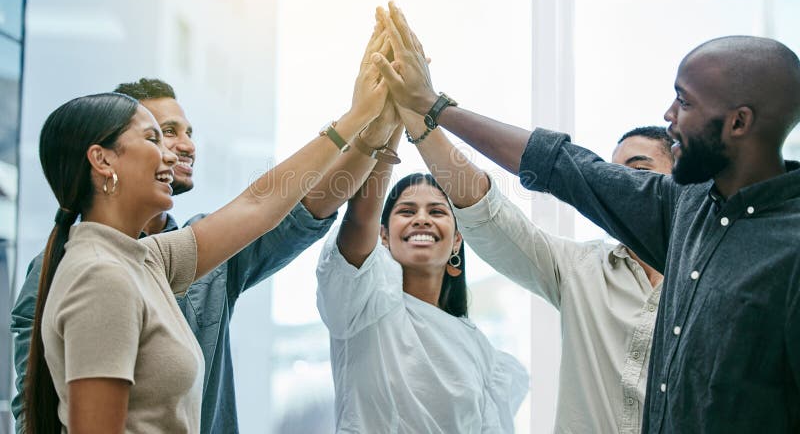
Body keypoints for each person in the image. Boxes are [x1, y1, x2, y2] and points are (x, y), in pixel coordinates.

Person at [372, 1, 800, 432]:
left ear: (739, 123)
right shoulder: (674, 217)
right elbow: (561, 167)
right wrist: (430, 106)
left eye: (684, 103)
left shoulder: (785, 248)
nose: (670, 117)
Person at [20, 24, 393, 433]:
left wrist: (364, 119)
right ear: (103, 161)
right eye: (155, 136)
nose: (177, 151)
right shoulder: (100, 276)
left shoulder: (147, 260)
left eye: (184, 134)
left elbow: (261, 203)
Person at [401, 105, 671, 432]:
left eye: (638, 171)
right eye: (612, 176)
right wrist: (421, 123)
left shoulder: (711, 282)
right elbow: (489, 215)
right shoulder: (582, 268)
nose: (619, 188)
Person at [315, 110, 529, 432]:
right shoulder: (362, 307)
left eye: (437, 211)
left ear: (457, 240)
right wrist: (394, 118)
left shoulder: (477, 348)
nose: (422, 219)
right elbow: (359, 219)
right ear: (383, 236)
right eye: (406, 210)